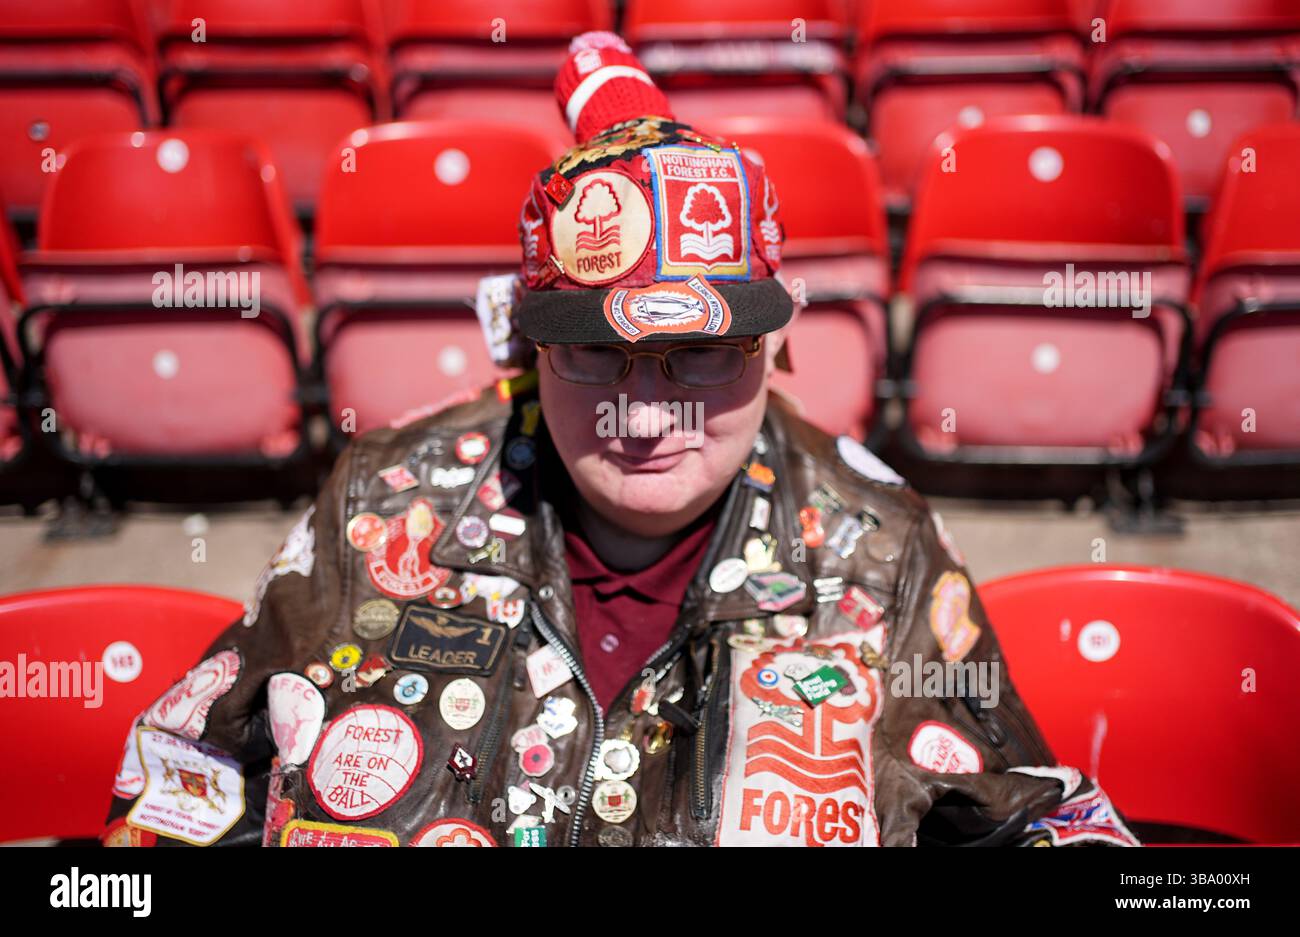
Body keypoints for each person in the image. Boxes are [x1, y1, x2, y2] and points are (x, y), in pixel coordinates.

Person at [101, 32, 1137, 848]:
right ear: (525, 345)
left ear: (775, 345)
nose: (644, 417)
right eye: (591, 354)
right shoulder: (383, 500)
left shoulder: (880, 545)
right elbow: (177, 788)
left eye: (701, 356)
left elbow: (1032, 819)